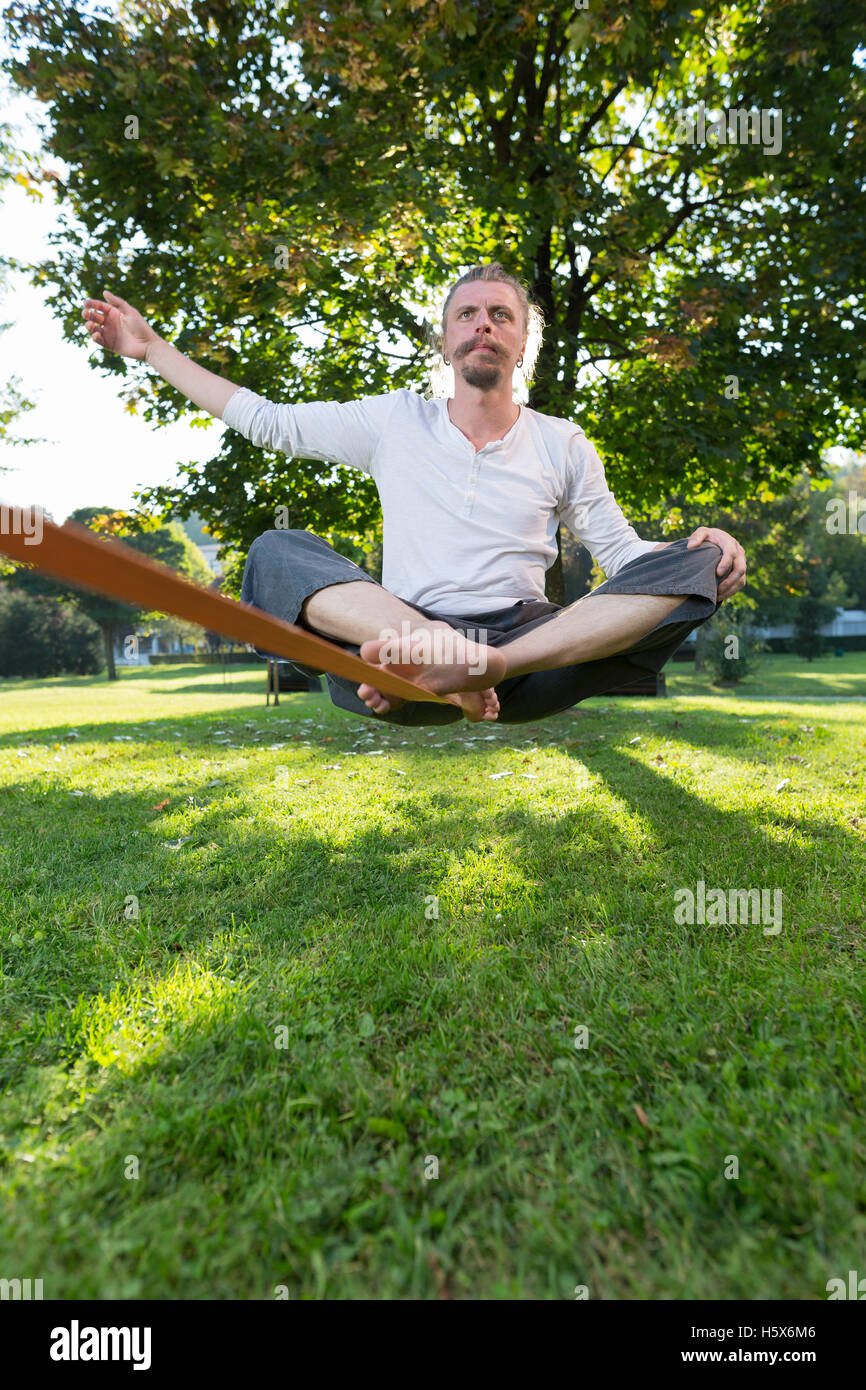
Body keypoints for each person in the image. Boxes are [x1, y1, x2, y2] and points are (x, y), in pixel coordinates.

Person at [82, 263, 746, 726]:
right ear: (445, 338)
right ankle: (442, 661)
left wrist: (700, 551)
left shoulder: (562, 442)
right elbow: (270, 422)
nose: (482, 324)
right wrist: (151, 350)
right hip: (395, 647)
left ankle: (477, 670)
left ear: (523, 342)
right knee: (277, 551)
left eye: (500, 315)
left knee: (695, 564)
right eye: (467, 314)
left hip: (524, 660)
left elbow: (626, 558)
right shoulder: (395, 419)